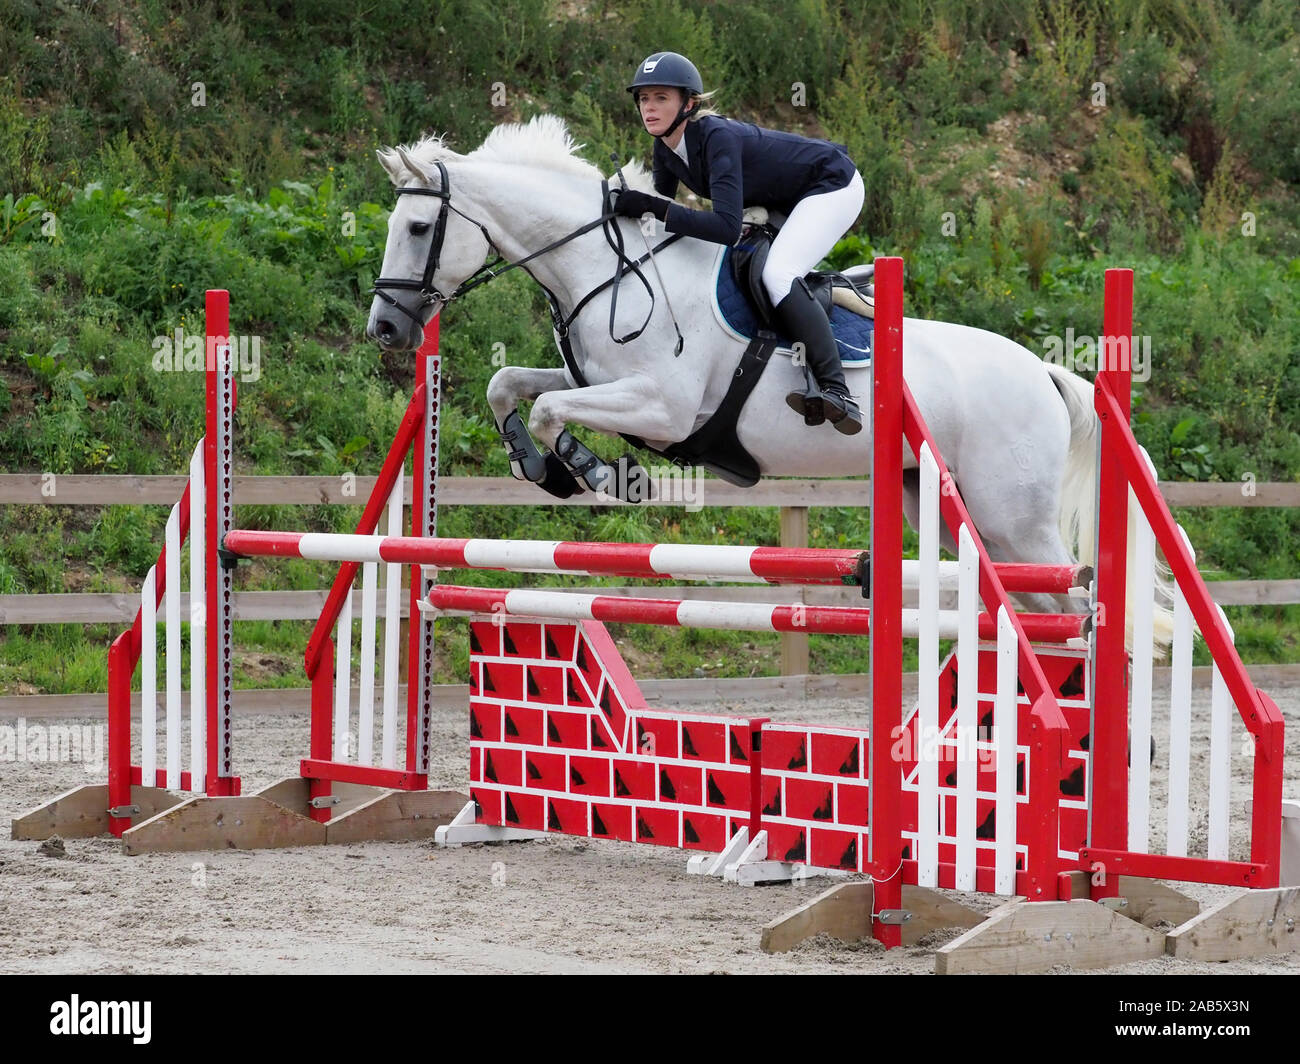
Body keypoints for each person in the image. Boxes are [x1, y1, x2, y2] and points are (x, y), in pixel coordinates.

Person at [612, 51, 865, 434]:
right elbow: (662, 216)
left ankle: (837, 391)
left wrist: (651, 207)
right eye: (644, 98)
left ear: (688, 103)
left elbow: (725, 227)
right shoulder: (665, 147)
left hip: (830, 185)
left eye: (661, 97)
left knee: (779, 275)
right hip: (782, 198)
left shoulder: (716, 137)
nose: (649, 108)